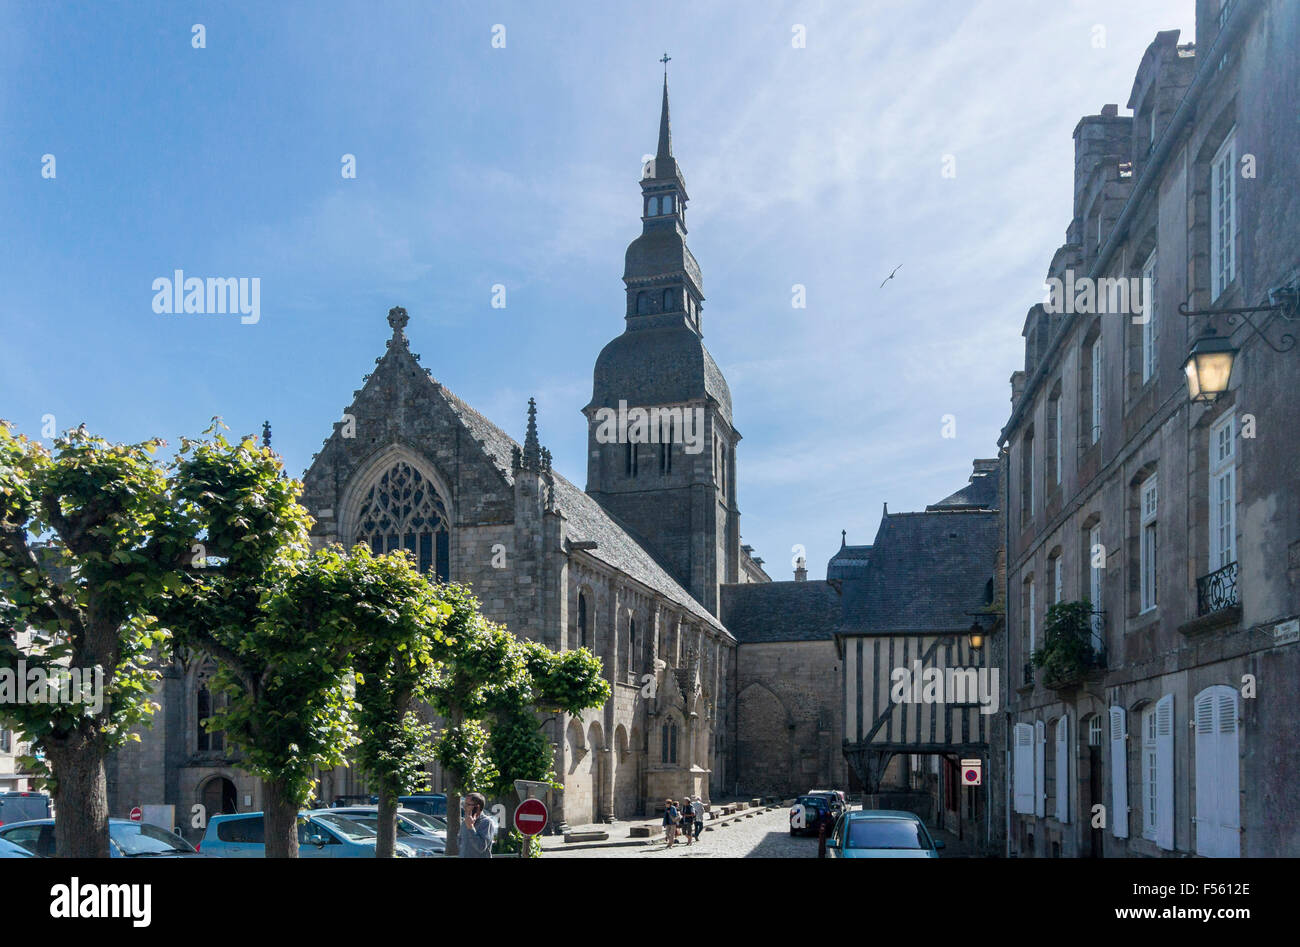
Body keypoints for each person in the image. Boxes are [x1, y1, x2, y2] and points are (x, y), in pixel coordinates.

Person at [459, 792, 494, 858]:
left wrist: (471, 827)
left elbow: (481, 847)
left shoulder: (486, 822)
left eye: (467, 804)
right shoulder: (465, 822)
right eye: (464, 804)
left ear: (477, 807)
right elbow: (460, 842)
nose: (464, 807)